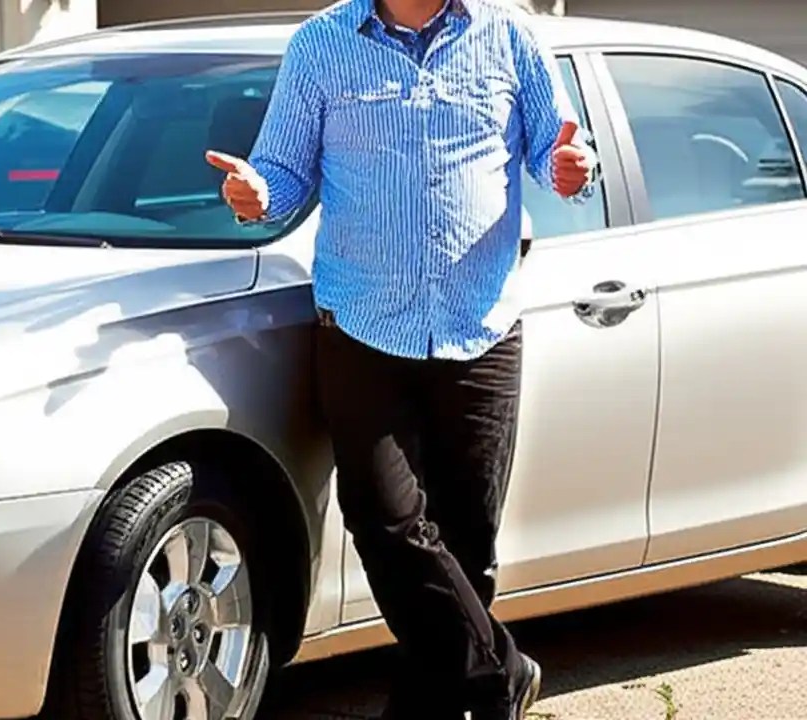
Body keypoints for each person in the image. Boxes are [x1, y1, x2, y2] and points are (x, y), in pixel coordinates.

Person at [205, 0, 597, 718]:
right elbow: (284, 173)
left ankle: (444, 702)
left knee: (467, 548)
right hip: (363, 327)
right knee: (386, 521)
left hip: (481, 327)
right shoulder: (321, 45)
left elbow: (554, 151)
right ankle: (502, 675)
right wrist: (257, 196)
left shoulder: (509, 35)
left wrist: (572, 167)